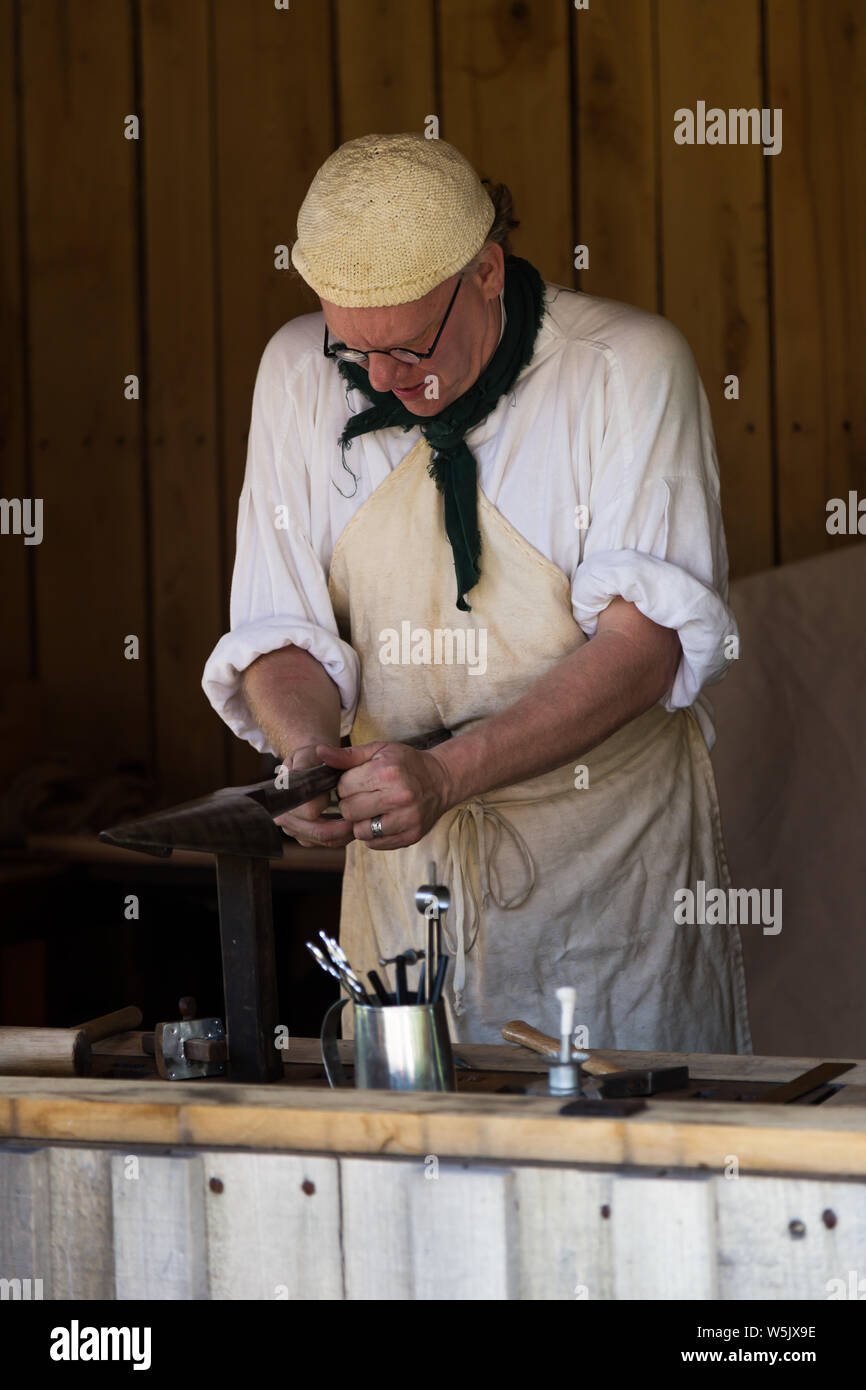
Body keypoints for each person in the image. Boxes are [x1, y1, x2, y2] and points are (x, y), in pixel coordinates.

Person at [203, 132, 752, 1052]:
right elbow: (279, 626)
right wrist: (307, 756)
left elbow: (643, 643)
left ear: (488, 271)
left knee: (621, 1157)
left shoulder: (626, 368)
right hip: (403, 858)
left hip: (606, 875)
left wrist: (450, 773)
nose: (380, 379)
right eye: (354, 345)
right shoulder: (298, 374)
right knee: (404, 1158)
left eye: (409, 344)